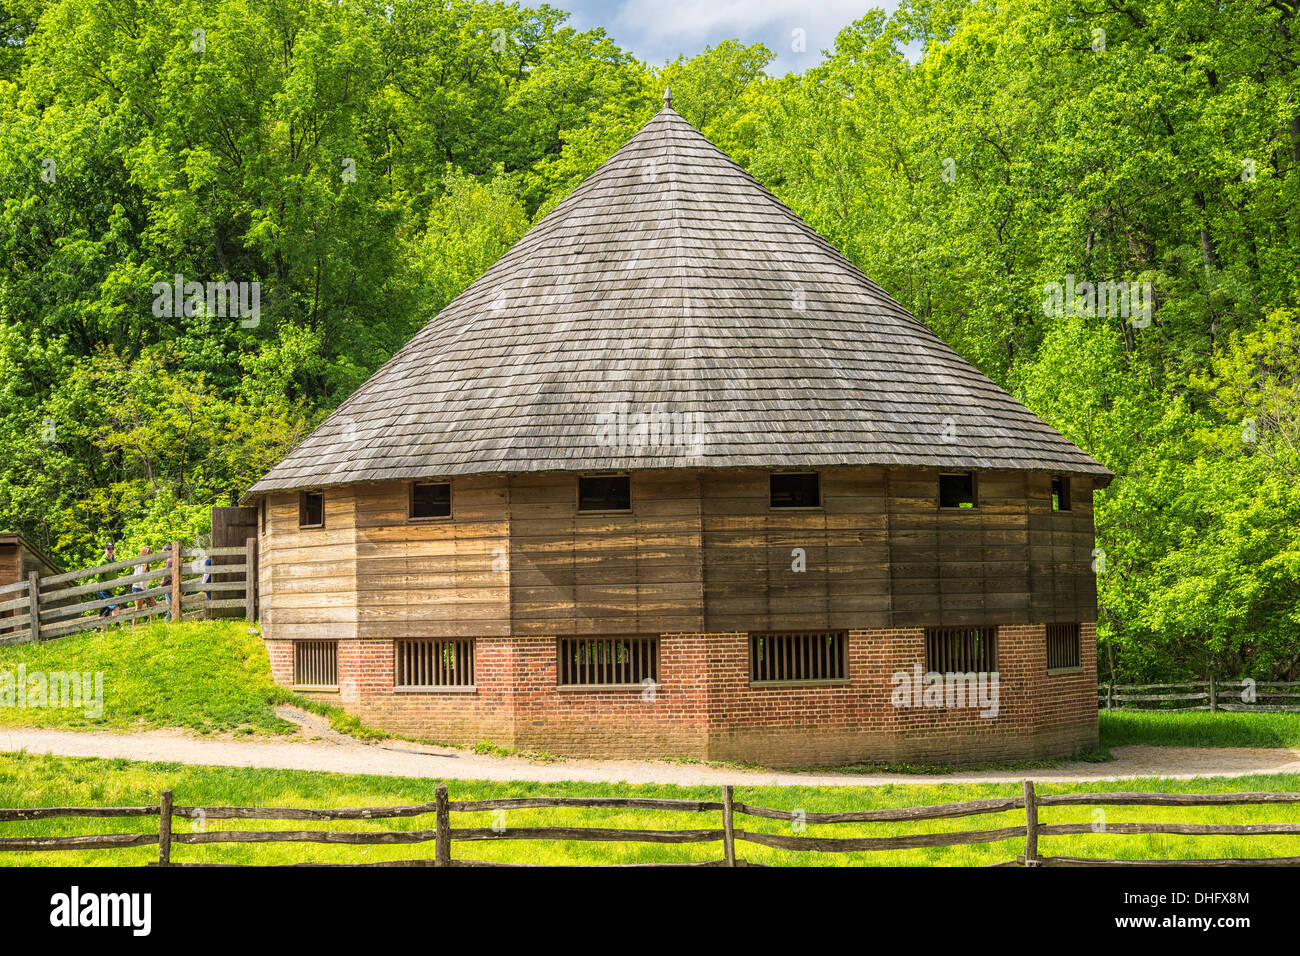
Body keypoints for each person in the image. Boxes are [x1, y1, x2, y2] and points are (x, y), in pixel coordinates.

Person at [132, 545, 157, 625]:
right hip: (138, 588)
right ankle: (134, 626)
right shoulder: (141, 565)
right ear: (144, 554)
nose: (151, 554)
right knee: (138, 608)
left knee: (153, 605)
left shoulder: (146, 564)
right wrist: (145, 591)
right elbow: (140, 580)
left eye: (151, 552)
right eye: (149, 552)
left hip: (144, 588)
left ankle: (152, 624)